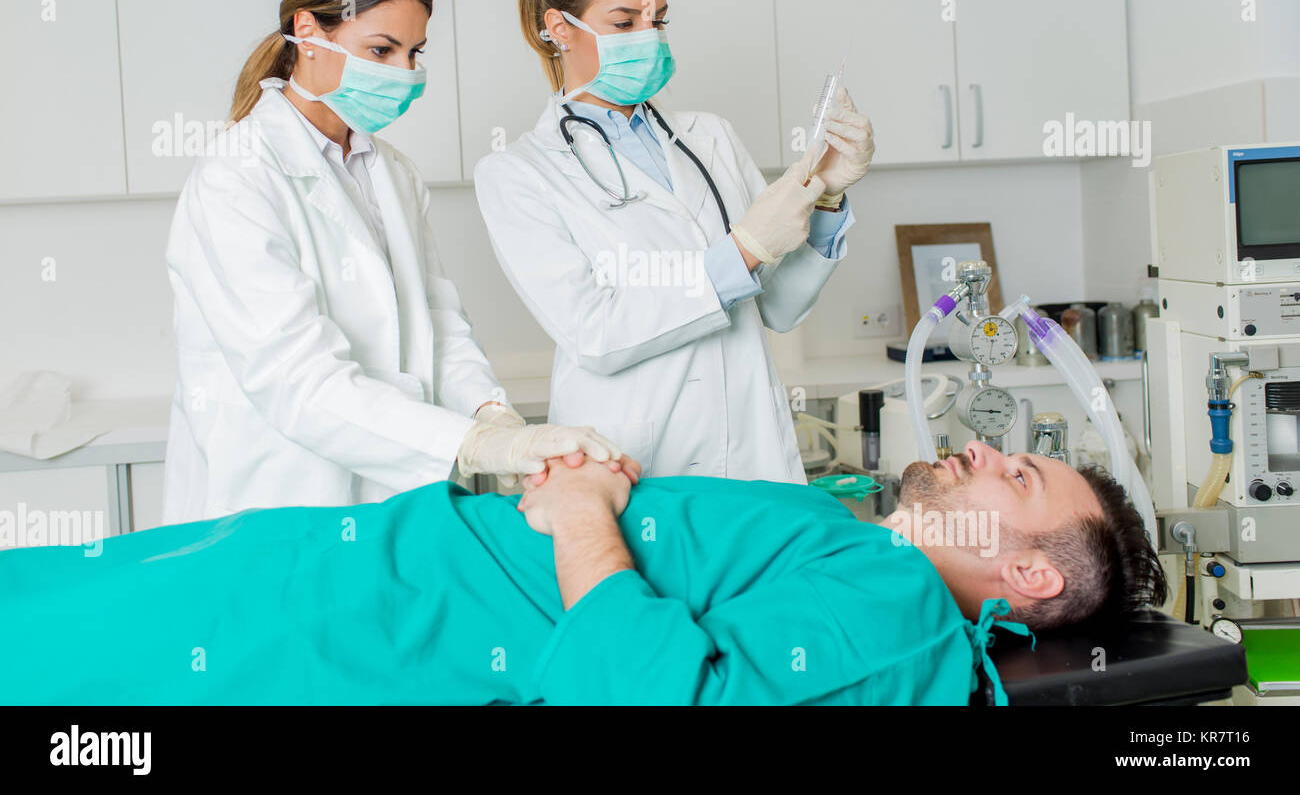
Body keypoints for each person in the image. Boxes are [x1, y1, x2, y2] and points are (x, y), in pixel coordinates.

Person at [0, 441, 1165, 705]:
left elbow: (660, 700)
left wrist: (580, 517)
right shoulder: (871, 543)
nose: (984, 449)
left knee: (51, 649)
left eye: (1015, 477)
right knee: (49, 593)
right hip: (350, 567)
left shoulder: (900, 610)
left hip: (368, 630)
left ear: (1028, 581)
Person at [162, 0, 634, 523]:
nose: (405, 72)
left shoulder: (391, 173)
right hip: (283, 500)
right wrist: (470, 445)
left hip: (394, 502)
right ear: (307, 32)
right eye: (382, 50)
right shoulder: (237, 178)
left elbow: (439, 323)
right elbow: (296, 381)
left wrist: (492, 414)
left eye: (415, 52)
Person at [474, 0, 874, 483]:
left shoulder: (710, 138)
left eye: (657, 20)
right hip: (628, 465)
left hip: (752, 464)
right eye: (624, 23)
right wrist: (742, 251)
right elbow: (596, 333)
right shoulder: (517, 173)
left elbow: (777, 308)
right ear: (560, 29)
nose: (648, 37)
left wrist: (826, 200)